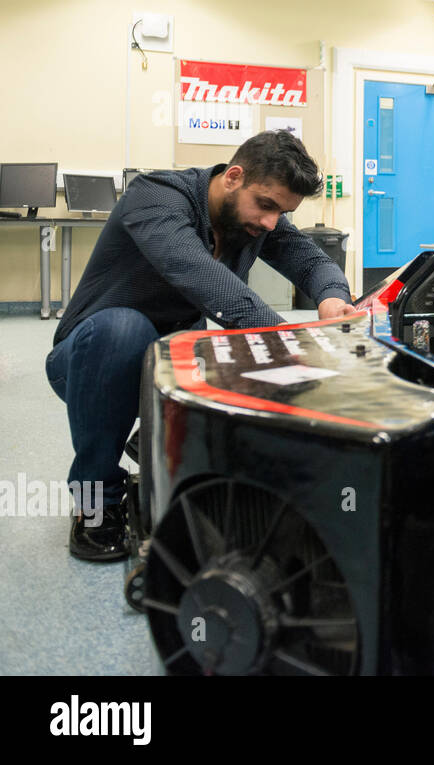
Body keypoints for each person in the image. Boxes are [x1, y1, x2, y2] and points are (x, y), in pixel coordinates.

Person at [45, 131, 356, 562]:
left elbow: (311, 259)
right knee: (126, 329)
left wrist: (332, 296)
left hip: (171, 357)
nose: (271, 221)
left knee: (229, 349)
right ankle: (96, 501)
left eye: (282, 212)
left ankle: (162, 438)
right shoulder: (156, 197)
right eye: (267, 206)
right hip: (89, 357)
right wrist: (291, 342)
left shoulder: (255, 216)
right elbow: (209, 283)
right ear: (233, 176)